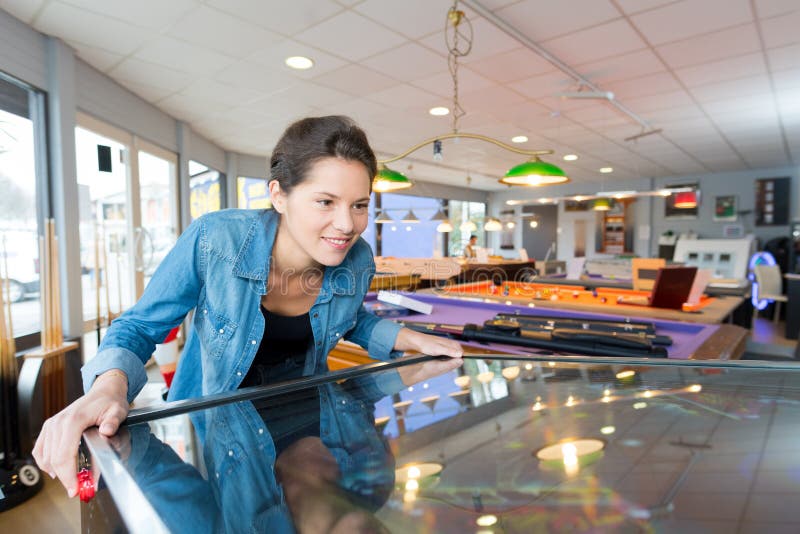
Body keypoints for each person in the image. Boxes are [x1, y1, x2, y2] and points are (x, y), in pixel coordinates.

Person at [33, 115, 463, 498]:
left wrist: (408, 337)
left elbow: (349, 320)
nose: (347, 224)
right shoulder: (215, 240)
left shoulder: (358, 258)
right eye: (325, 201)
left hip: (305, 417)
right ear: (279, 195)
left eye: (359, 205)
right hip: (212, 425)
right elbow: (140, 327)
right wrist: (108, 389)